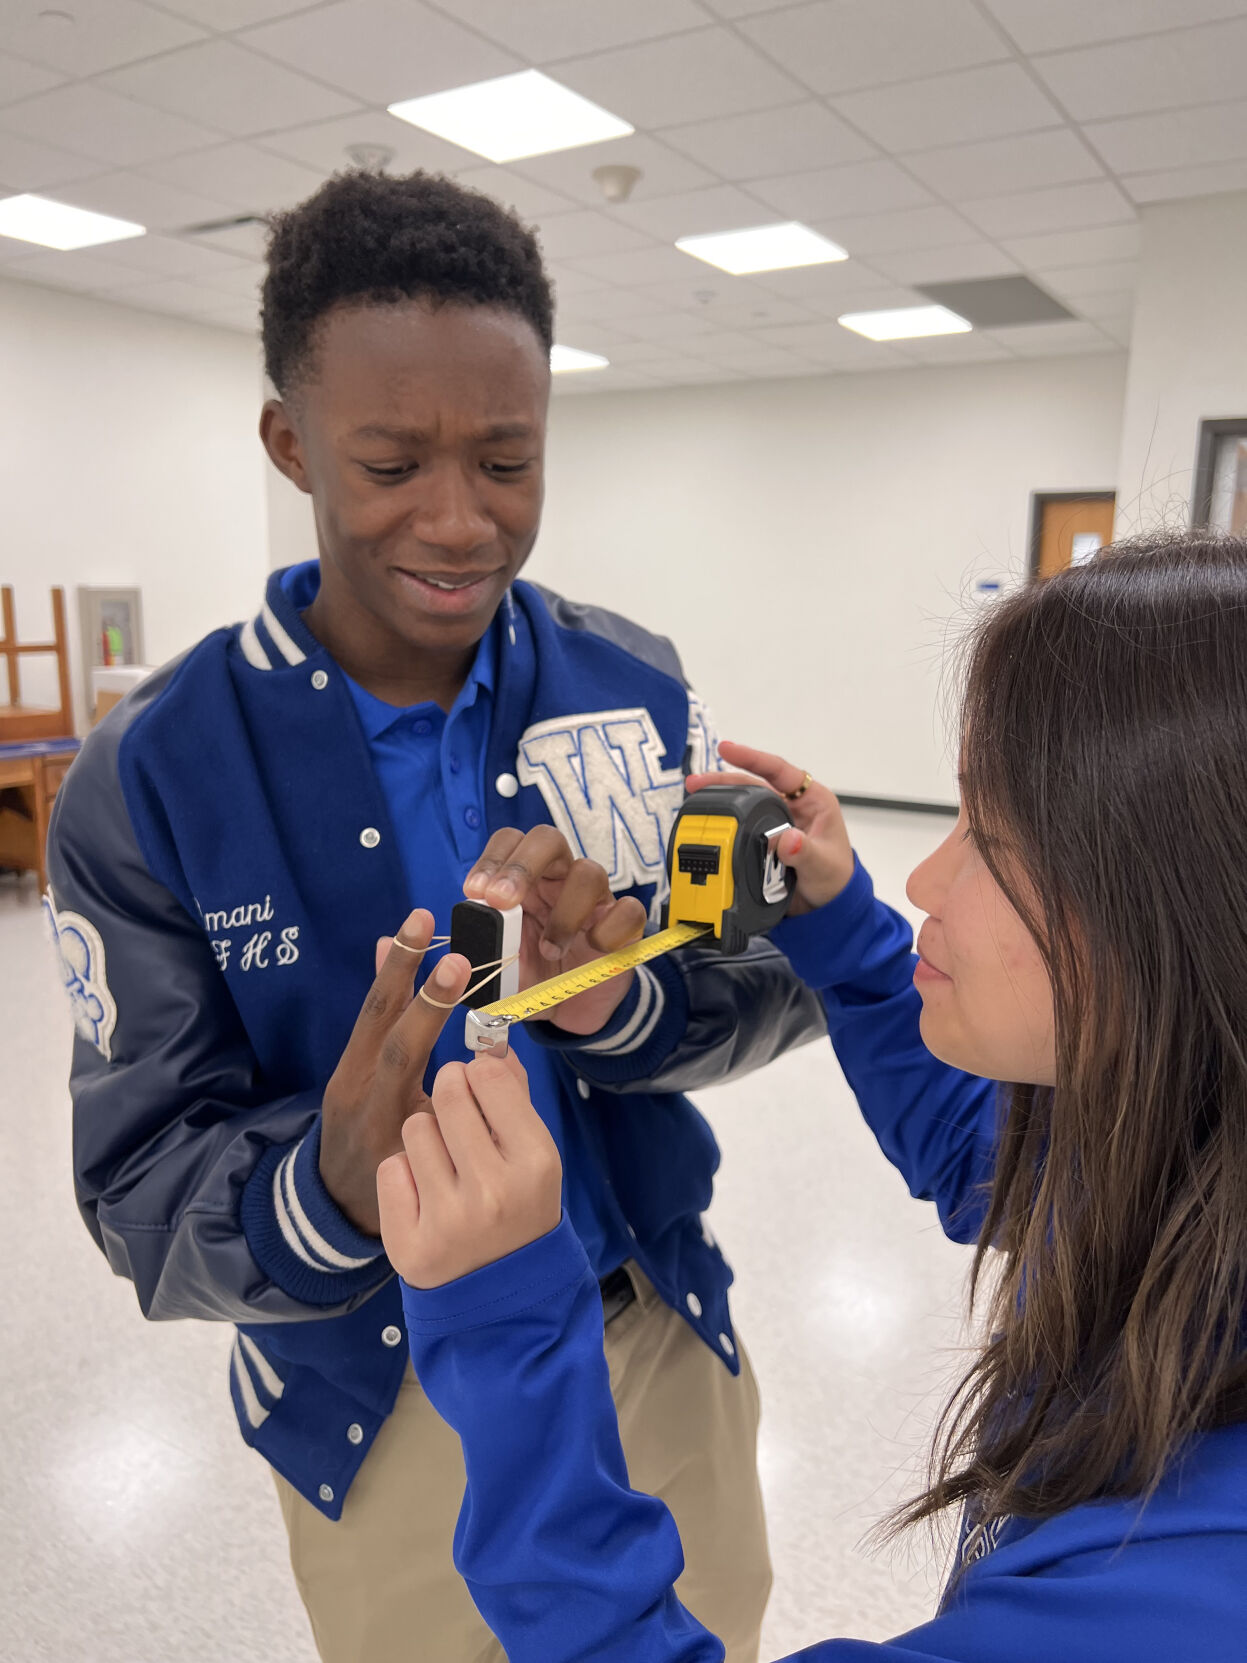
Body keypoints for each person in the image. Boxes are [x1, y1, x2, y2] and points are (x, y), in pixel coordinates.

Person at [44, 169, 828, 1663]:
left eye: (507, 461)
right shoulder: (152, 773)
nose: (461, 522)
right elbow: (139, 1186)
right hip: (375, 1397)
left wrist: (623, 1005)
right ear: (291, 444)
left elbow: (769, 975)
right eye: (392, 462)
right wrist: (332, 1183)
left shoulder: (633, 686)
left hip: (644, 1336)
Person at [379, 535, 1247, 1663]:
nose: (924, 878)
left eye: (994, 838)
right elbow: (981, 1156)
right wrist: (835, 919)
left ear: (1188, 904)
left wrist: (504, 1327)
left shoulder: (1186, 1589)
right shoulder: (1182, 1147)